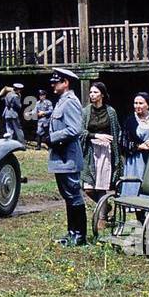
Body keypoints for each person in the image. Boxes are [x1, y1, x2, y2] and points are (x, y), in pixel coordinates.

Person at [47, 68, 87, 246]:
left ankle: (79, 235)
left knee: (73, 195)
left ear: (66, 83)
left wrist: (53, 137)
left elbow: (74, 129)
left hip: (68, 156)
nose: (53, 85)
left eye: (56, 82)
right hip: (61, 156)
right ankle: (72, 233)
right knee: (68, 195)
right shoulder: (62, 101)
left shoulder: (70, 102)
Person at [81, 81, 121, 199]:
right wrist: (96, 136)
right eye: (91, 92)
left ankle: (102, 217)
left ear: (102, 94)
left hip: (105, 151)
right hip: (90, 151)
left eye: (95, 92)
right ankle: (104, 207)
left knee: (101, 186)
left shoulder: (111, 112)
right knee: (88, 187)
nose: (92, 95)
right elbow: (80, 131)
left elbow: (116, 130)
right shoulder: (86, 111)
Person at [122, 93, 149, 192]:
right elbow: (123, 141)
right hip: (136, 159)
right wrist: (138, 146)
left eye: (141, 103)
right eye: (135, 103)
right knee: (135, 184)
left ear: (147, 105)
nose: (137, 106)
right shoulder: (130, 120)